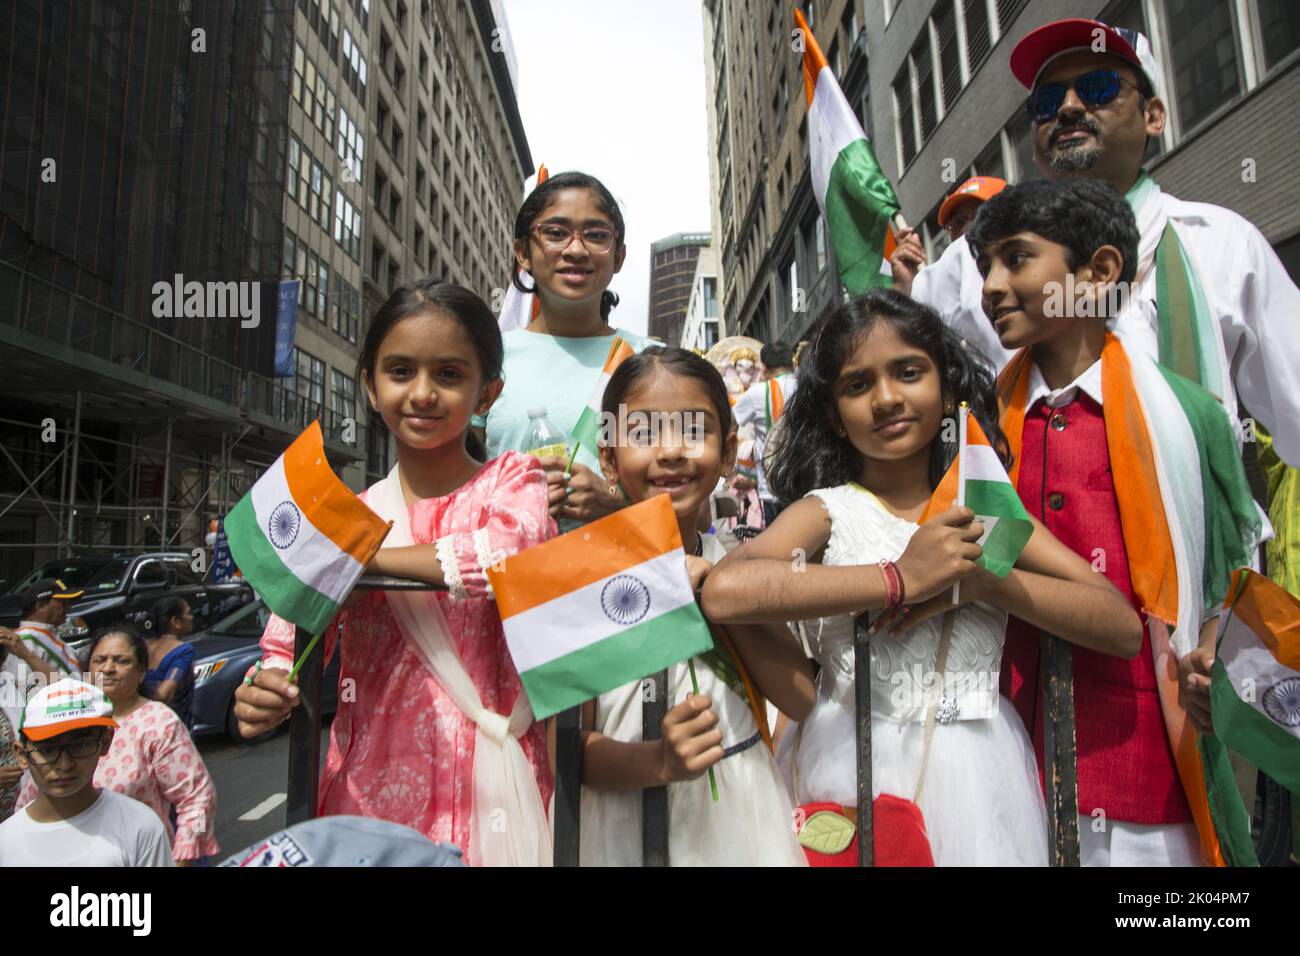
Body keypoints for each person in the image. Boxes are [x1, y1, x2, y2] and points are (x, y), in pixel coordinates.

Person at [701, 290, 1143, 866]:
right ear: (833, 416)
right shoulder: (827, 509)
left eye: (909, 373)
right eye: (858, 385)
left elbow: (1120, 626)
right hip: (850, 762)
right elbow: (728, 590)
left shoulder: (981, 510)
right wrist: (900, 577)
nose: (887, 398)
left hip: (978, 772)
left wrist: (986, 580)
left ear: (949, 390)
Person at [966, 178, 1261, 866]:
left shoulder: (1188, 417)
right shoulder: (977, 428)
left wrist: (1215, 651)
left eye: (1015, 259)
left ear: (1097, 272)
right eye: (985, 266)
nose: (991, 285)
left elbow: (1227, 569)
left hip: (1148, 767)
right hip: (1009, 761)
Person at [234, 279, 555, 866]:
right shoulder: (345, 518)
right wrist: (267, 689)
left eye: (451, 375)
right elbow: (288, 638)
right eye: (401, 371)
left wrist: (361, 558)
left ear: (488, 394)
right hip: (370, 794)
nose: (423, 393)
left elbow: (511, 551)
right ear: (371, 387)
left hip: (494, 786)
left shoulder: (514, 480)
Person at [890, 18, 1300, 471]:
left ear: (1153, 116)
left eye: (1098, 87)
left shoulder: (1222, 246)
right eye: (1047, 101)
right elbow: (898, 333)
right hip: (1035, 535)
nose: (1067, 107)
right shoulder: (973, 263)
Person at [580, 347, 808, 866]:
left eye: (693, 431)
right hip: (625, 820)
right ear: (610, 458)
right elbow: (567, 751)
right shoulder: (580, 582)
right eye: (643, 434)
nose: (671, 452)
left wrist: (717, 596)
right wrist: (657, 760)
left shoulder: (742, 564)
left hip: (742, 814)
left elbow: (799, 697)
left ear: (728, 453)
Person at [473, 171, 657, 531]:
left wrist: (617, 501)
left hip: (625, 583)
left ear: (618, 256)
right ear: (523, 252)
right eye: (555, 233)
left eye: (596, 235)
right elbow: (454, 488)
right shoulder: (486, 359)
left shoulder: (654, 361)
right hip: (512, 580)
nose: (576, 249)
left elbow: (696, 506)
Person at [18, 624, 219, 864]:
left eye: (121, 661)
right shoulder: (67, 721)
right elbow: (31, 798)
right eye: (99, 660)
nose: (108, 668)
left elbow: (197, 799)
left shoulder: (157, 722)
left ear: (142, 670)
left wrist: (183, 857)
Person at [0, 677, 172, 867]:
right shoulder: (5, 842)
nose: (64, 765)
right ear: (21, 754)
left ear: (105, 742)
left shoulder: (140, 828)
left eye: (81, 745)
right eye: (47, 750)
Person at [733, 340, 798, 527]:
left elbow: (731, 421)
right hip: (807, 483)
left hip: (772, 488)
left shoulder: (758, 393)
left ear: (764, 367)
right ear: (791, 362)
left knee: (778, 548)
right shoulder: (807, 386)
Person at [0, 579, 82, 729]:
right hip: (50, 721)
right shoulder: (25, 640)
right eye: (62, 604)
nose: (67, 608)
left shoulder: (44, 635)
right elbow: (26, 693)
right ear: (41, 606)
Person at [142, 596, 197, 730]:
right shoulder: (183, 651)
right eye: (188, 613)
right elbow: (164, 694)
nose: (192, 617)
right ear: (176, 622)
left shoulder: (141, 645)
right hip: (170, 729)